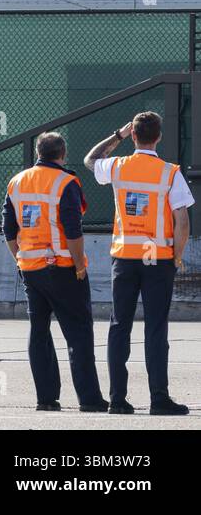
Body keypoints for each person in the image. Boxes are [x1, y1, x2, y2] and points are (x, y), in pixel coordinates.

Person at [84, 112, 192, 415]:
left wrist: (116, 135)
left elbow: (91, 160)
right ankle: (159, 398)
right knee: (156, 328)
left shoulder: (117, 166)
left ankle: (118, 399)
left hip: (124, 258)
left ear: (134, 135)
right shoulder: (170, 172)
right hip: (157, 259)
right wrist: (177, 254)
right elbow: (181, 220)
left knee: (120, 326)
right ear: (158, 137)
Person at [3, 131, 107, 412]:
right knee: (78, 333)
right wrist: (80, 264)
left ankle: (46, 399)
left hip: (31, 269)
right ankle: (89, 399)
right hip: (63, 267)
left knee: (39, 332)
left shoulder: (17, 182)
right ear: (62, 153)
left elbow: (9, 230)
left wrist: (21, 259)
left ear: (38, 152)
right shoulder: (66, 182)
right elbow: (73, 230)